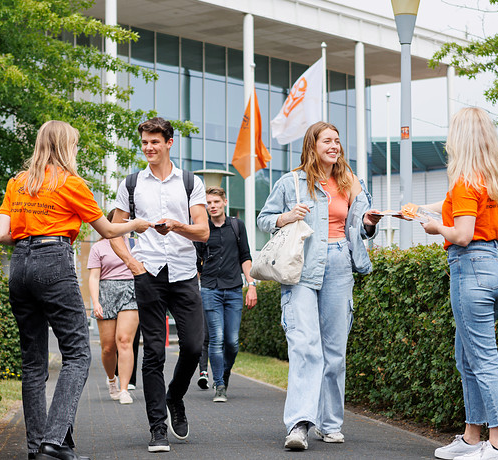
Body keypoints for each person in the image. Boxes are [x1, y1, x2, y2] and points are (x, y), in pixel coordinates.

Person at [0, 120, 154, 460]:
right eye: (76, 145)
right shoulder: (71, 183)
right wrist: (137, 224)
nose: (77, 150)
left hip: (19, 264)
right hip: (53, 260)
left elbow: (0, 234)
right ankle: (55, 440)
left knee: (33, 361)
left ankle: (38, 448)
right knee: (78, 353)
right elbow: (109, 230)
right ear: (66, 147)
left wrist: (30, 229)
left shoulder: (17, 182)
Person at [257, 121, 383, 451]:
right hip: (301, 268)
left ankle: (330, 424)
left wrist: (369, 224)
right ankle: (299, 424)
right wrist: (284, 217)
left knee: (334, 353)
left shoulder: (351, 182)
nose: (334, 145)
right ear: (312, 146)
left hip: (340, 264)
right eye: (327, 140)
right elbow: (264, 219)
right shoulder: (292, 182)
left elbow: (362, 229)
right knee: (305, 346)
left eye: (337, 141)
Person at [419, 108, 498, 460]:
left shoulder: (464, 181)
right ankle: (472, 437)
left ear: (458, 140)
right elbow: (456, 208)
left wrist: (434, 228)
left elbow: (460, 233)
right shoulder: (487, 178)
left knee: (483, 359)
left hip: (471, 268)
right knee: (467, 356)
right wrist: (420, 211)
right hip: (496, 267)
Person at [109, 117, 209, 453]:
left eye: (155, 142)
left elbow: (203, 231)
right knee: (152, 352)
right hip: (148, 273)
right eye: (144, 143)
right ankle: (157, 429)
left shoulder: (190, 182)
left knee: (194, 346)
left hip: (183, 274)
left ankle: (174, 397)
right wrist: (132, 263)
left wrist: (178, 226)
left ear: (169, 143)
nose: (149, 148)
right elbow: (115, 230)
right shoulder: (132, 183)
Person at [194, 186, 258, 403]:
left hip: (233, 290)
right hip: (210, 289)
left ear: (224, 202)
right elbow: (197, 262)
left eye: (216, 202)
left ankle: (224, 372)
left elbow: (245, 256)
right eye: (208, 203)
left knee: (232, 341)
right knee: (217, 338)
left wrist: (251, 284)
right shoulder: (202, 229)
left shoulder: (236, 226)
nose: (212, 206)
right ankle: (219, 384)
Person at [88, 209, 139, 405]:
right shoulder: (98, 247)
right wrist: (96, 302)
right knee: (108, 347)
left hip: (130, 291)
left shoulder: (135, 244)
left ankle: (125, 389)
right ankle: (112, 380)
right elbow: (94, 277)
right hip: (106, 291)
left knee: (124, 340)